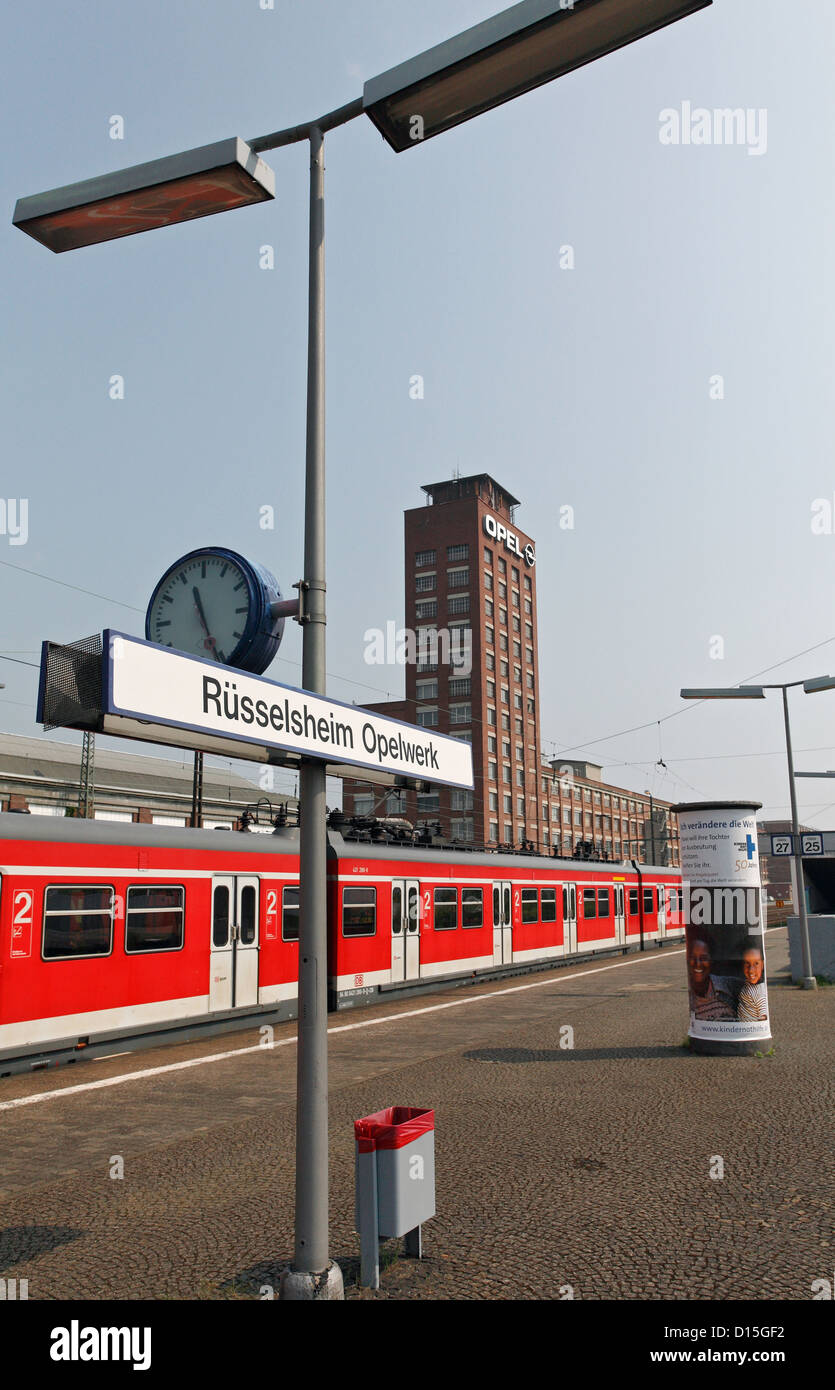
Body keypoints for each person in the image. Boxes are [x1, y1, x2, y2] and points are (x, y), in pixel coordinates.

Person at [687, 933, 735, 1021]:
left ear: (712, 961)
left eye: (704, 958)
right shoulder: (691, 997)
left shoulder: (729, 986)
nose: (698, 964)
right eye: (693, 957)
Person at [736, 939, 768, 1022]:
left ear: (762, 965)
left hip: (749, 1031)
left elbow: (763, 1016)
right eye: (747, 963)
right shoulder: (748, 984)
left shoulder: (759, 993)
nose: (751, 970)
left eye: (756, 963)